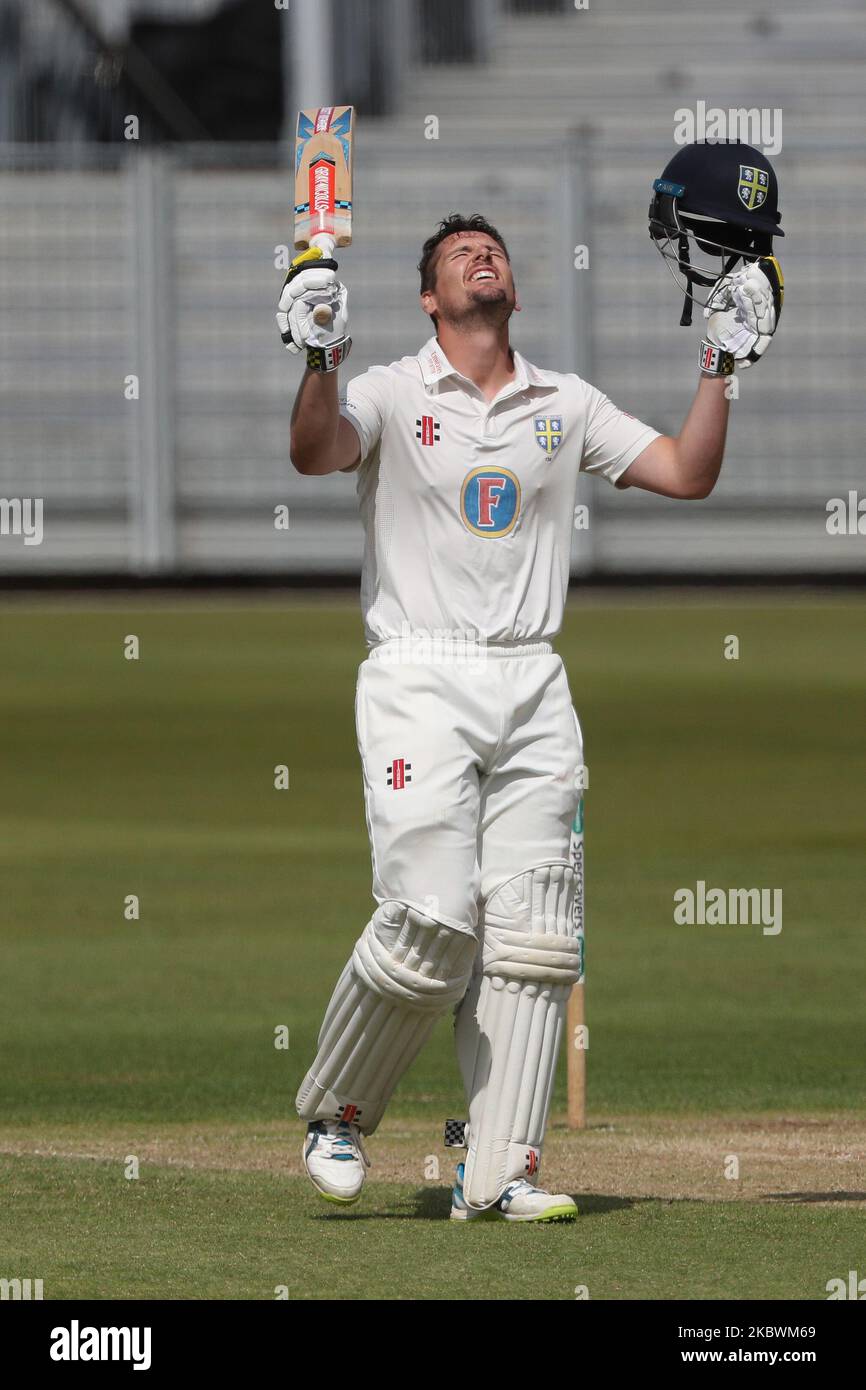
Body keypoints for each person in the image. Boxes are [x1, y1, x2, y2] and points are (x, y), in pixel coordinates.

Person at [278, 176, 781, 1222]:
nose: (478, 256)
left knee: (535, 937)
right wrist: (317, 355)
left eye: (490, 247)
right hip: (418, 671)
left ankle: (498, 1167)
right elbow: (315, 450)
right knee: (431, 920)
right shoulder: (389, 389)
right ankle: (337, 1106)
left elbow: (685, 472)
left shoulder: (565, 402)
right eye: (457, 253)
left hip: (532, 680)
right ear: (425, 299)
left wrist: (720, 366)